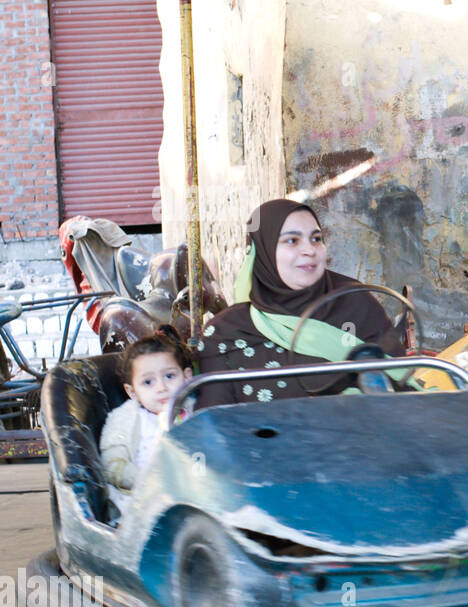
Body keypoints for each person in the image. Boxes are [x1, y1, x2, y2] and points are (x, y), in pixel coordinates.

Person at [195, 199, 403, 408]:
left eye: (316, 238)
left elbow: (403, 389)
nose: (309, 250)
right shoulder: (224, 334)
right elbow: (213, 425)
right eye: (292, 241)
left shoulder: (357, 303)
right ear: (262, 250)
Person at [100, 325, 192, 514]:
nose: (161, 387)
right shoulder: (128, 419)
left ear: (187, 376)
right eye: (148, 382)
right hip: (141, 498)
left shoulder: (195, 412)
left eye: (169, 376)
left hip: (192, 493)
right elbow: (112, 465)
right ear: (132, 392)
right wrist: (151, 479)